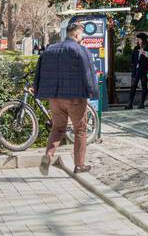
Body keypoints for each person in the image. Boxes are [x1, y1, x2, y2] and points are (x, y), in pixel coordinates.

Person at [33, 21, 99, 174]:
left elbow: (39, 72)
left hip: (55, 98)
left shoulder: (50, 50)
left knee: (57, 128)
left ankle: (48, 156)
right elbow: (89, 74)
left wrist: (39, 91)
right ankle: (80, 165)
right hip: (75, 98)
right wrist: (94, 92)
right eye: (81, 34)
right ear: (76, 34)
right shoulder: (80, 50)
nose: (82, 37)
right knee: (80, 129)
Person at [127, 33, 148, 110]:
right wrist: (133, 66)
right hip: (136, 70)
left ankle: (142, 103)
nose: (138, 40)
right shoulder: (136, 48)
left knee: (144, 86)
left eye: (139, 39)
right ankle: (130, 103)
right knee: (133, 86)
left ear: (143, 40)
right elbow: (133, 58)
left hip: (144, 69)